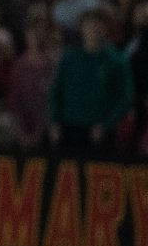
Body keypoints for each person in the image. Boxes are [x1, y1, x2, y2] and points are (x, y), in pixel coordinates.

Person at [48, 10, 134, 152]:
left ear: (106, 29)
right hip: (69, 127)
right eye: (89, 24)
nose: (93, 29)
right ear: (81, 28)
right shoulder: (69, 57)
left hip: (100, 130)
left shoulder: (117, 61)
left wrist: (107, 124)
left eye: (98, 25)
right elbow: (56, 90)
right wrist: (54, 121)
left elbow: (126, 97)